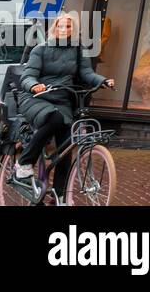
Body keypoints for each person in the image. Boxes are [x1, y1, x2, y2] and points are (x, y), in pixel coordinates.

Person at [13, 13, 114, 196]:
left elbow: (87, 73)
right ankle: (24, 163)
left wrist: (102, 81)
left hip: (62, 100)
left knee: (66, 147)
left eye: (68, 27)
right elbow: (27, 76)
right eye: (60, 26)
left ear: (73, 30)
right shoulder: (40, 49)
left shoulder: (77, 50)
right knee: (55, 118)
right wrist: (34, 85)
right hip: (37, 98)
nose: (63, 30)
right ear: (54, 28)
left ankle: (59, 195)